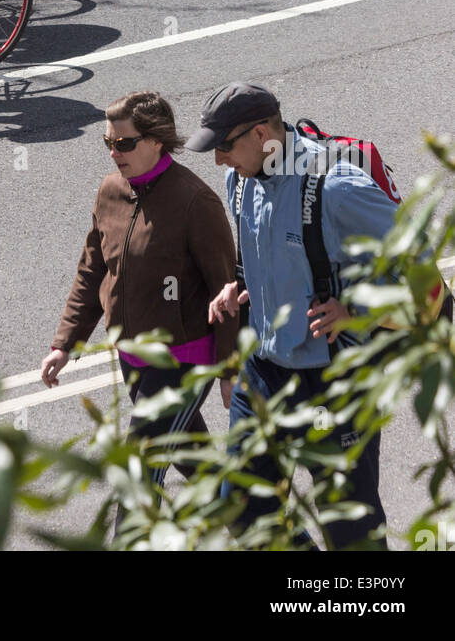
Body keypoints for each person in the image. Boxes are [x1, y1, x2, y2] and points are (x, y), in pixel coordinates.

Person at [196, 81, 397, 550]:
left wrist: (356, 309)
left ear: (263, 133)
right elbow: (271, 251)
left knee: (350, 530)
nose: (220, 161)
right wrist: (241, 285)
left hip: (333, 381)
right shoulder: (240, 182)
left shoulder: (337, 186)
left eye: (224, 146)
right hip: (265, 370)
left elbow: (418, 268)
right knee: (244, 510)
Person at [41, 91, 238, 492]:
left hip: (184, 362)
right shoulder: (111, 191)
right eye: (108, 143)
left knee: (139, 474)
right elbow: (93, 270)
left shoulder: (195, 201)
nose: (114, 153)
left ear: (156, 140)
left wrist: (230, 368)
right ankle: (275, 534)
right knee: (198, 465)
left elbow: (226, 288)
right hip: (133, 358)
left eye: (124, 143)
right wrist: (66, 343)